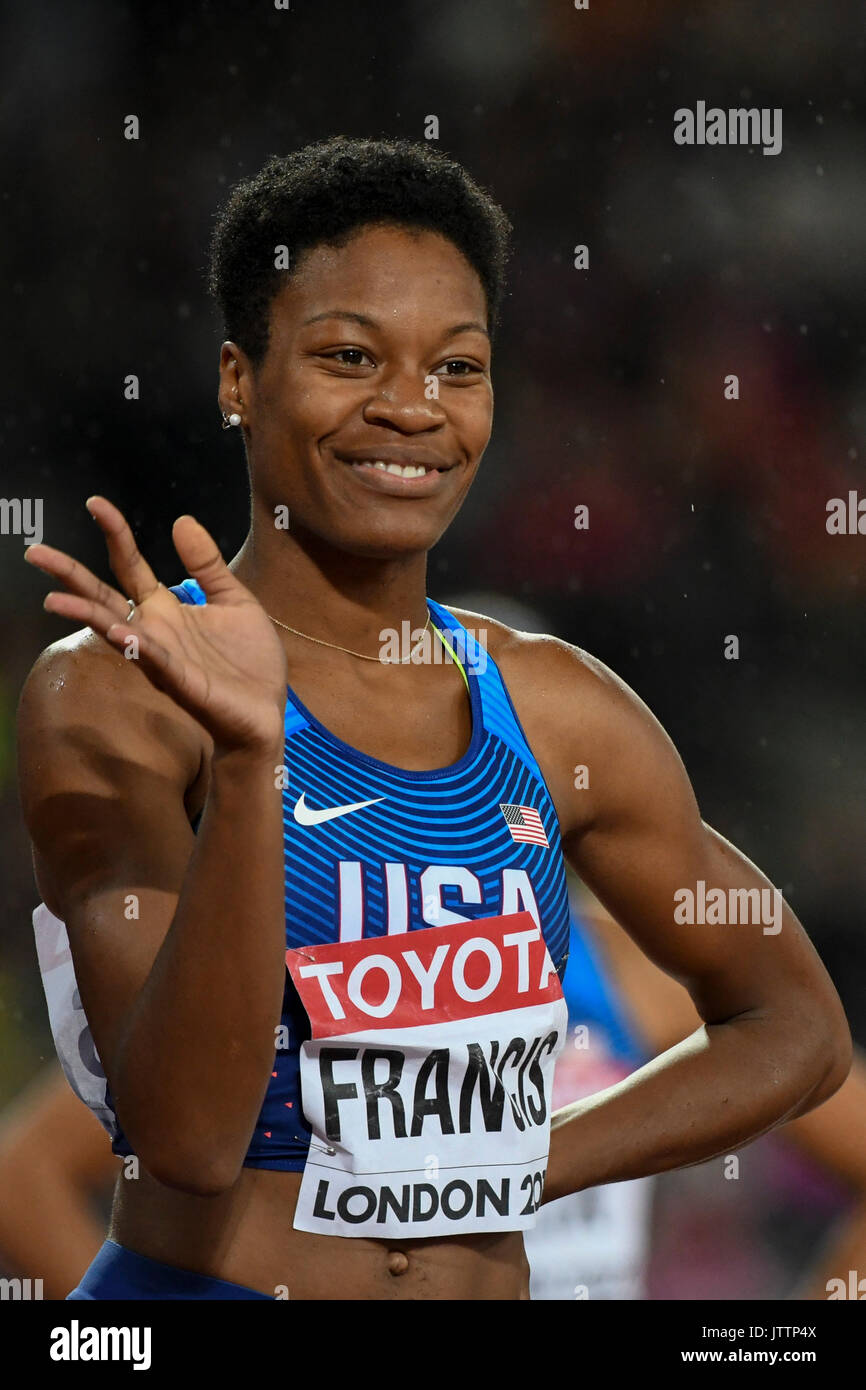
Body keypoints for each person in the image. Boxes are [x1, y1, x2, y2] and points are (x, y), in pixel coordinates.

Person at [16, 136, 851, 1300]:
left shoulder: (559, 708)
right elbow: (191, 1139)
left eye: (457, 367)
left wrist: (514, 1168)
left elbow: (796, 1027)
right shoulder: (111, 693)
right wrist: (256, 759)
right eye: (349, 356)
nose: (410, 408)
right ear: (236, 379)